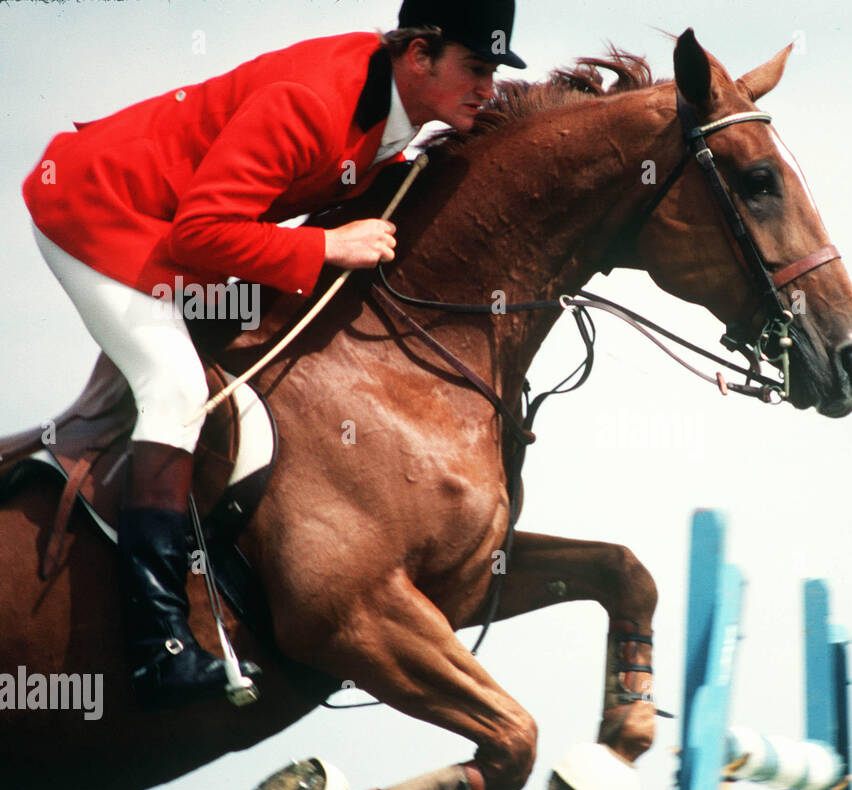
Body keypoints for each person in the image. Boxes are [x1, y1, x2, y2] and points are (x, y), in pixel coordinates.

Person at [21, 1, 527, 708]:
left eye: (495, 72)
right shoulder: (311, 102)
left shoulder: (391, 104)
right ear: (419, 56)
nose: (489, 87)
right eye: (476, 68)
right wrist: (325, 246)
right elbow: (199, 234)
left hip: (175, 224)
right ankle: (159, 643)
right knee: (173, 385)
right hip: (99, 208)